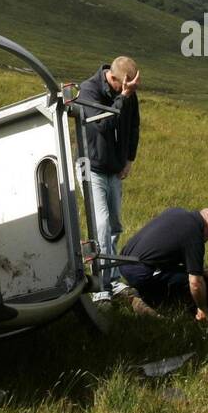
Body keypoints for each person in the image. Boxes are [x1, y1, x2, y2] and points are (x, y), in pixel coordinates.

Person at [78, 56, 141, 302]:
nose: (129, 90)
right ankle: (99, 288)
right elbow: (102, 125)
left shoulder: (127, 91)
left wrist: (129, 159)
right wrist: (123, 97)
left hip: (114, 168)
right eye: (125, 85)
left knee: (114, 226)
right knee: (101, 224)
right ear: (113, 78)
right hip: (91, 167)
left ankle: (112, 280)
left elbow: (134, 124)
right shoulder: (88, 90)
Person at [119, 207, 208, 320]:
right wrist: (203, 308)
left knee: (194, 276)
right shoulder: (195, 235)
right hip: (140, 273)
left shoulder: (176, 212)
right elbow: (195, 283)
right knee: (195, 284)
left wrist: (200, 271)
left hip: (123, 262)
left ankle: (141, 293)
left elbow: (168, 247)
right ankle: (146, 298)